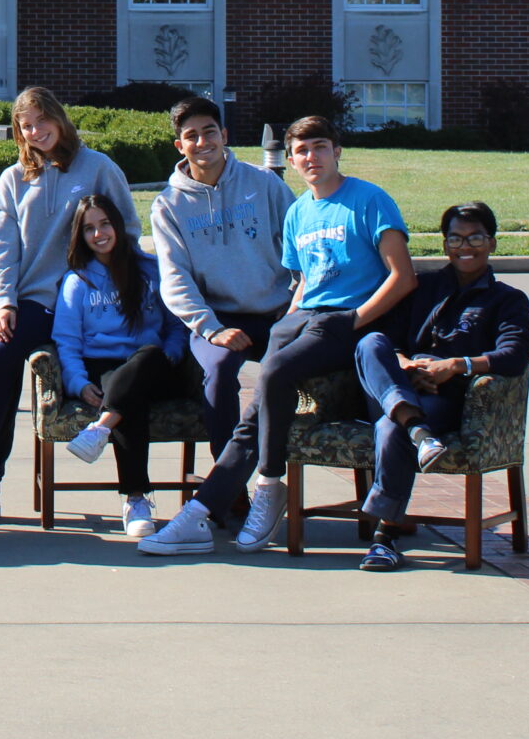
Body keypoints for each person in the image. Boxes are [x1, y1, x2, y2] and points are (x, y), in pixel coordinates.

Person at [141, 114, 418, 557]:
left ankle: (268, 487)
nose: (311, 157)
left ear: (337, 150)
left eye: (320, 147)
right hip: (300, 317)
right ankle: (201, 513)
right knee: (254, 416)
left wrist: (355, 319)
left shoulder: (368, 199)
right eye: (302, 151)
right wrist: (284, 326)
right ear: (289, 159)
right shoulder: (300, 211)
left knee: (272, 375)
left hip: (344, 320)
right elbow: (304, 279)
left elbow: (403, 277)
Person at [0, 88, 141, 526]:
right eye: (26, 126)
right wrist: (4, 301)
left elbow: (128, 231)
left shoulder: (98, 168)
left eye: (41, 121)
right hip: (9, 291)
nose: (35, 132)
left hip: (57, 296)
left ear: (59, 119)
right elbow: (1, 248)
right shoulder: (12, 178)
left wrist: (98, 285)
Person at [353, 201, 529, 571]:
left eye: (475, 238)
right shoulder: (423, 286)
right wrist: (406, 366)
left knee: (393, 427)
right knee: (368, 343)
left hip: (447, 400)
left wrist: (456, 366)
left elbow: (516, 353)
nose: (465, 247)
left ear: (492, 243)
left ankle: (384, 539)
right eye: (455, 238)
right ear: (445, 244)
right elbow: (386, 335)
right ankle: (417, 429)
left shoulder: (508, 300)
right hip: (397, 387)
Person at [149, 95, 295, 453]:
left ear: (224, 134)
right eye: (192, 136)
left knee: (295, 368)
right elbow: (174, 279)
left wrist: (295, 306)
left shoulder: (264, 184)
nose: (202, 143)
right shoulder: (168, 205)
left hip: (276, 313)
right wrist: (212, 328)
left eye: (209, 132)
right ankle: (228, 488)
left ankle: (271, 478)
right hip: (216, 318)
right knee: (218, 373)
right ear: (179, 145)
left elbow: (300, 246)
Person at [53, 192, 191, 540]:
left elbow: (175, 326)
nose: (99, 234)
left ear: (118, 225)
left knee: (147, 357)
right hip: (104, 367)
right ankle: (136, 498)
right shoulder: (77, 281)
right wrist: (78, 383)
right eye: (89, 229)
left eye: (105, 224)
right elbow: (67, 342)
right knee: (130, 399)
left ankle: (100, 428)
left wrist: (171, 354)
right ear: (80, 236)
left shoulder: (150, 270)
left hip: (155, 363)